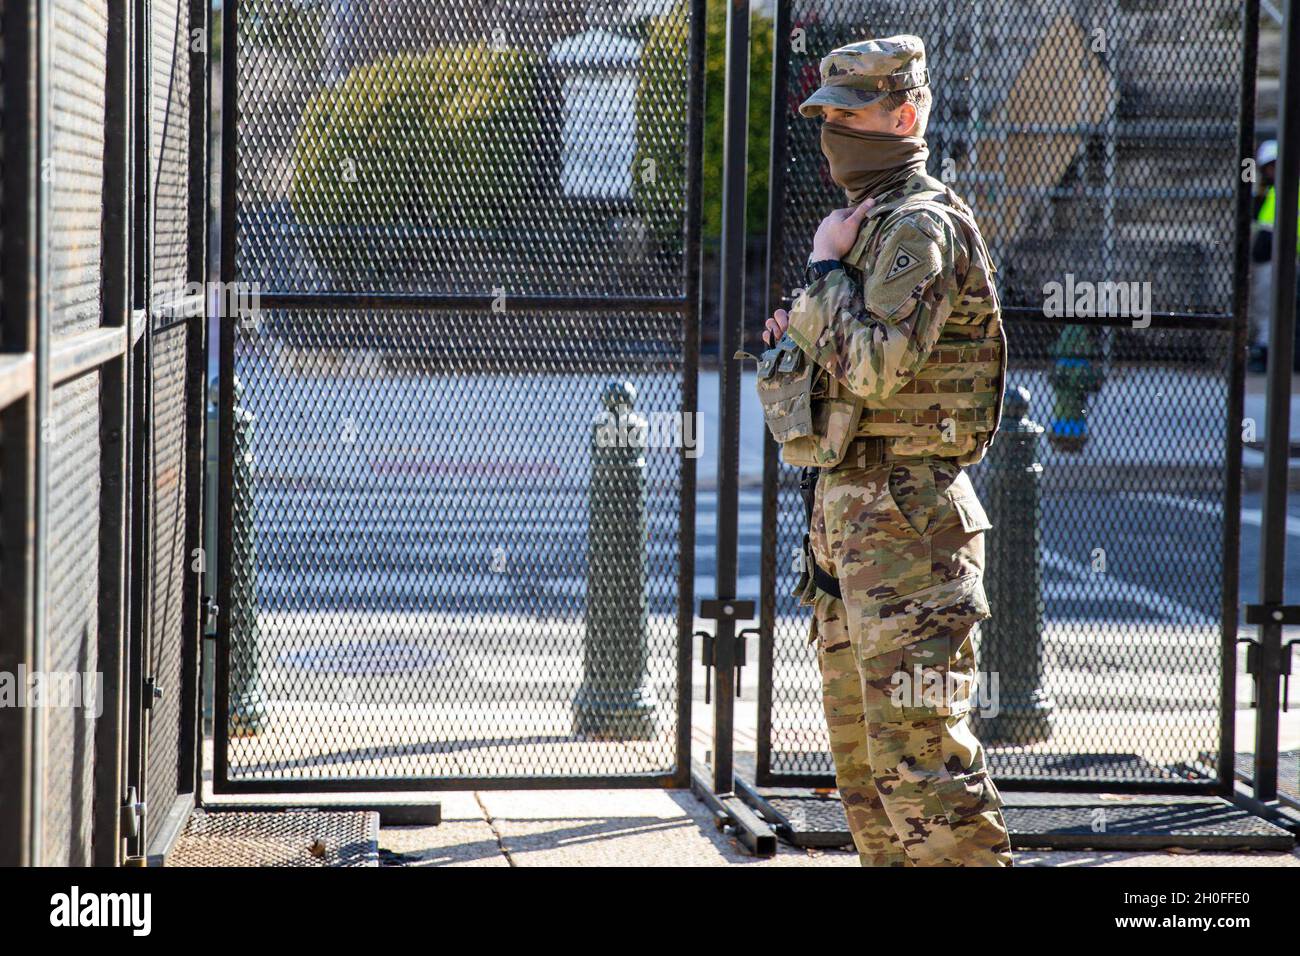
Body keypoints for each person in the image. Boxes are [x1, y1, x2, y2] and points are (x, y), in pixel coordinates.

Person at [760, 35, 1012, 866]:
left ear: (904, 118)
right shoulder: (867, 225)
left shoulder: (916, 226)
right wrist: (803, 326)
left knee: (924, 770)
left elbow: (874, 365)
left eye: (850, 115)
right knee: (866, 774)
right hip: (851, 522)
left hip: (910, 527)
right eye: (825, 117)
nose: (832, 133)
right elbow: (839, 376)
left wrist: (822, 276)